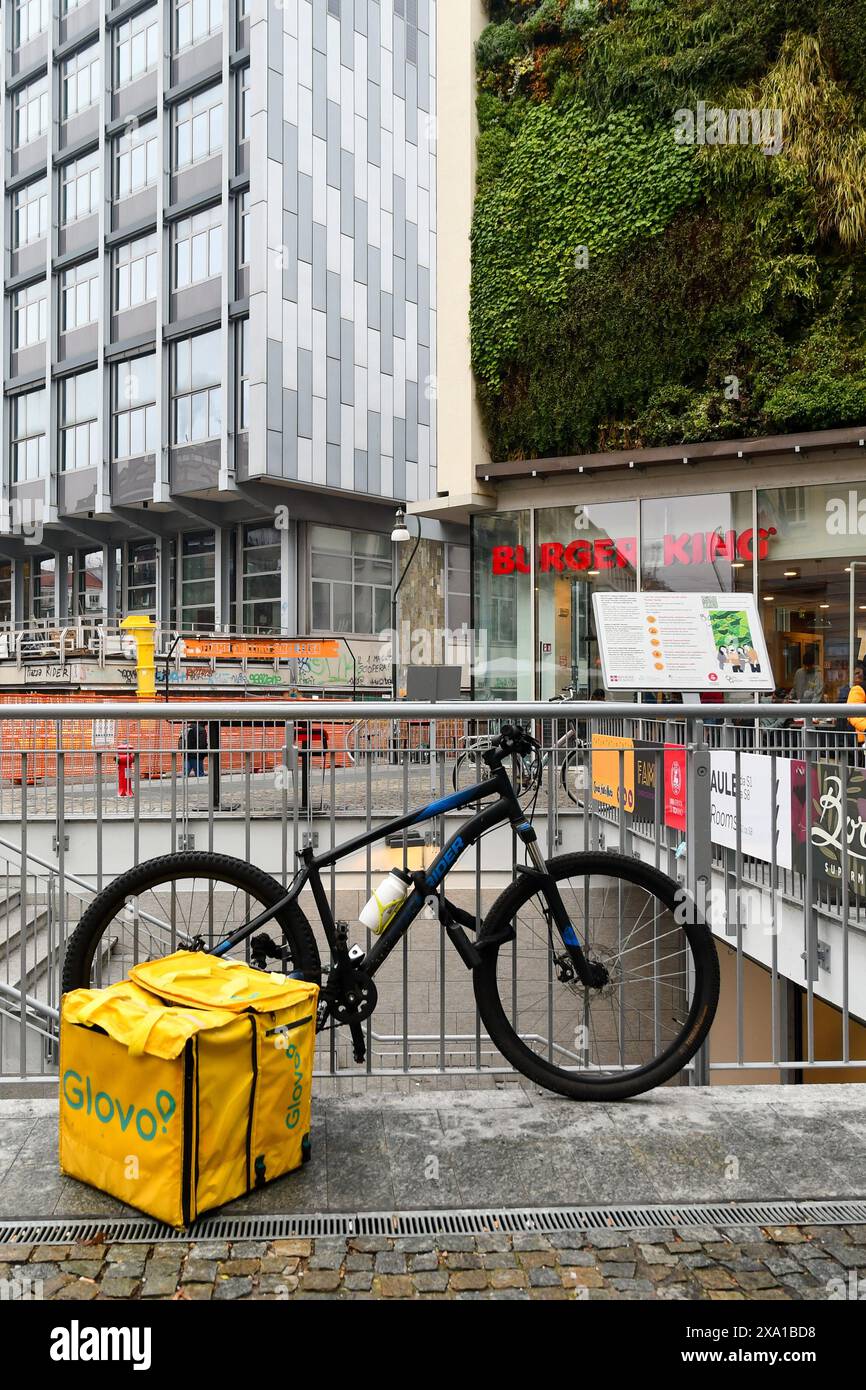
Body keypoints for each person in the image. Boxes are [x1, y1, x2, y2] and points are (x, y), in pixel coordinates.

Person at [846, 666, 866, 753]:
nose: (857, 676)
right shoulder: (858, 689)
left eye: (858, 673)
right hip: (862, 739)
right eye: (855, 673)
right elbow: (853, 714)